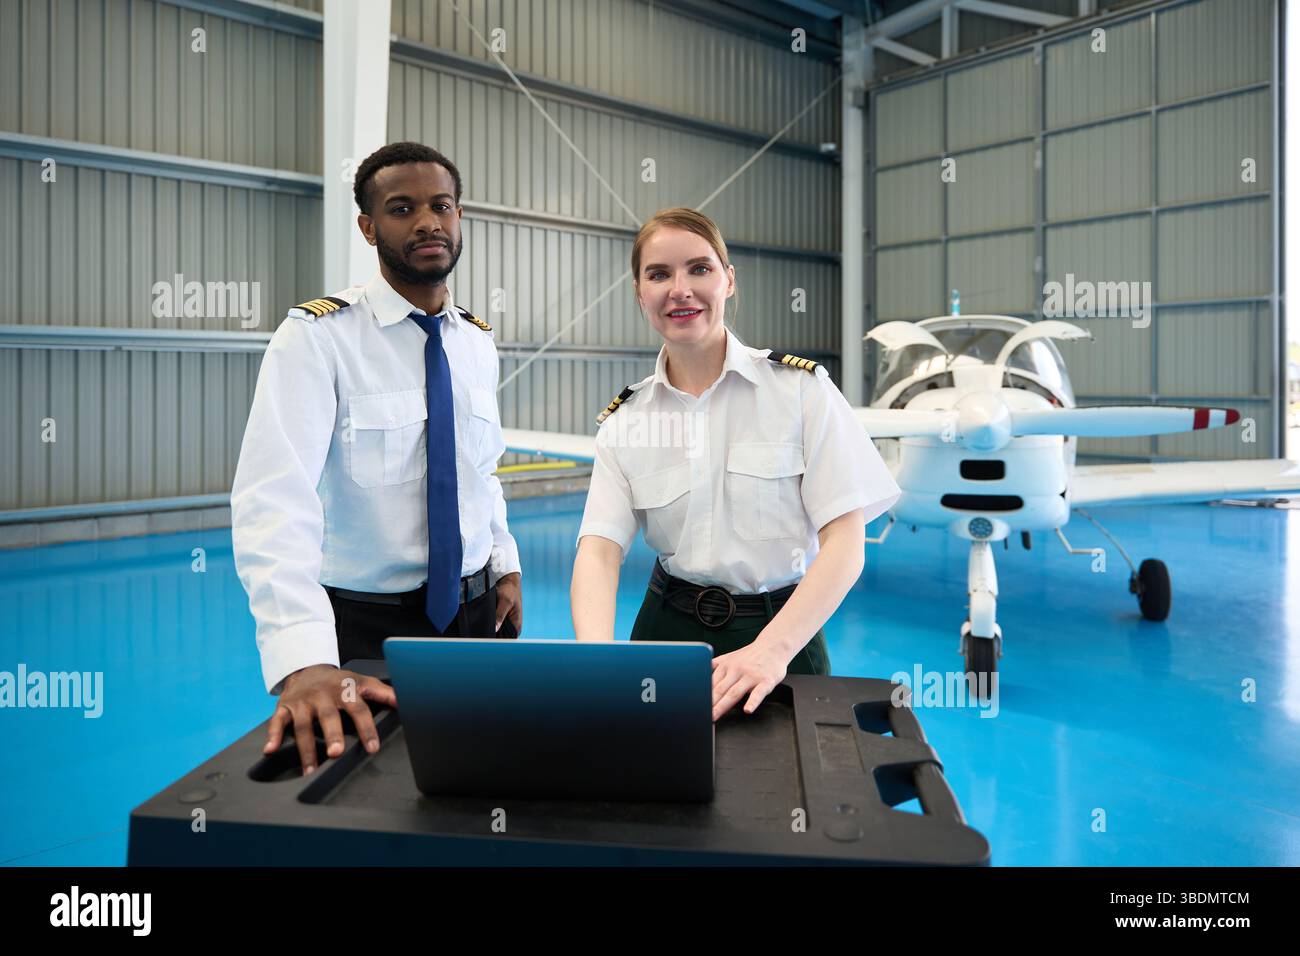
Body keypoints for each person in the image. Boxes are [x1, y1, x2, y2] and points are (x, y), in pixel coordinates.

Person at [231, 142, 523, 775]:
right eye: (401, 208)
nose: (427, 222)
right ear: (368, 227)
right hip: (365, 634)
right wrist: (305, 660)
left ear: (460, 216)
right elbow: (273, 499)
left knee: (476, 780)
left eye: (441, 205)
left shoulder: (476, 343)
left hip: (475, 619)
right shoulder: (316, 339)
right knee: (373, 803)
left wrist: (504, 563)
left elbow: (480, 470)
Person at [570, 207, 900, 721]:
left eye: (699, 268)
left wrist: (772, 650)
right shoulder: (625, 421)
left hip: (781, 635)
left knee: (792, 791)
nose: (679, 289)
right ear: (640, 293)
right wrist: (595, 658)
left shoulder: (800, 393)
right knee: (651, 793)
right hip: (665, 633)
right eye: (659, 274)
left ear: (728, 280)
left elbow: (846, 542)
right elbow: (599, 550)